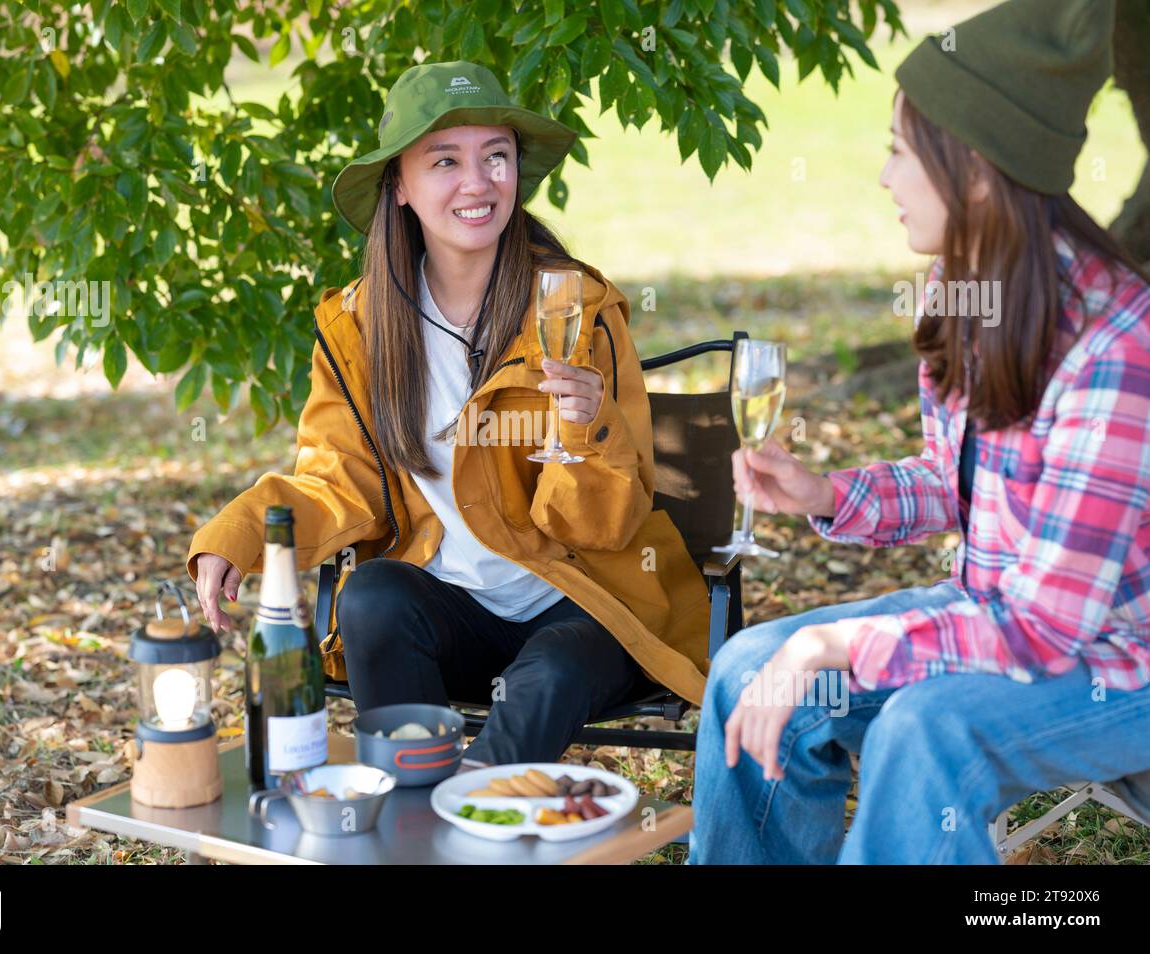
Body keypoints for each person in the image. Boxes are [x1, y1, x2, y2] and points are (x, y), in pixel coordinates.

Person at [690, 0, 1150, 864]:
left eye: (901, 150)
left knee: (922, 729)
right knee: (752, 665)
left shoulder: (1117, 344)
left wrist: (833, 643)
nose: (885, 177)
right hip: (993, 612)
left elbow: (1045, 630)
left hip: (1123, 662)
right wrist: (828, 493)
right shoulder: (960, 286)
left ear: (975, 170)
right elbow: (956, 480)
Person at [186, 61, 712, 765]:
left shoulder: (578, 309)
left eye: (496, 157)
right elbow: (337, 481)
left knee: (548, 670)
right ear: (399, 187)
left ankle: (469, 821)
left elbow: (605, 525)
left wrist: (585, 432)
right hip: (452, 613)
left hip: (586, 603)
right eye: (445, 161)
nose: (478, 181)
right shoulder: (358, 328)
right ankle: (414, 794)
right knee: (370, 595)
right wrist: (243, 531)